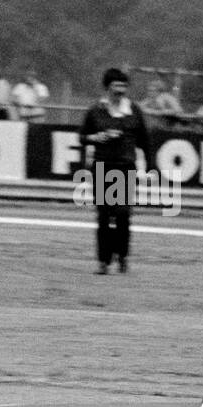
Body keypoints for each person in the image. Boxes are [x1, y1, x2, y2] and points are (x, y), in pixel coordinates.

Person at [79, 67, 153, 275]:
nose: (120, 90)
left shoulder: (134, 110)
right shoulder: (96, 110)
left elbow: (145, 140)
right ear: (107, 87)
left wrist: (149, 163)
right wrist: (97, 137)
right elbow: (83, 137)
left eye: (123, 86)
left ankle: (122, 255)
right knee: (103, 215)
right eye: (116, 86)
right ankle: (103, 260)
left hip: (126, 167)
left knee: (122, 214)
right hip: (103, 166)